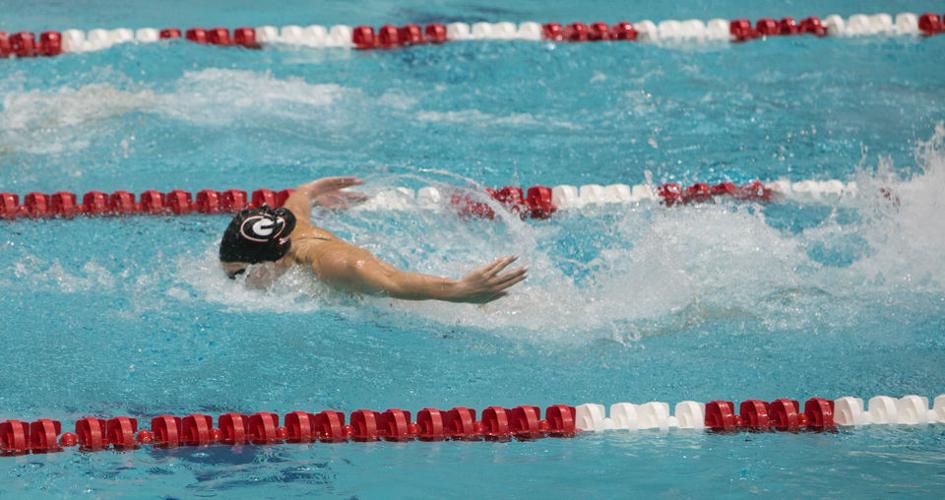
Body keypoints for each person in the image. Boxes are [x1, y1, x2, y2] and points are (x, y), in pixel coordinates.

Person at [218, 176, 527, 303]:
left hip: (439, 302)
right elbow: (297, 204)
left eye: (239, 274)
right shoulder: (289, 231)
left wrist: (459, 290)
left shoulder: (331, 264)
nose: (235, 282)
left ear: (271, 260)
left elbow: (392, 280)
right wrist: (313, 190)